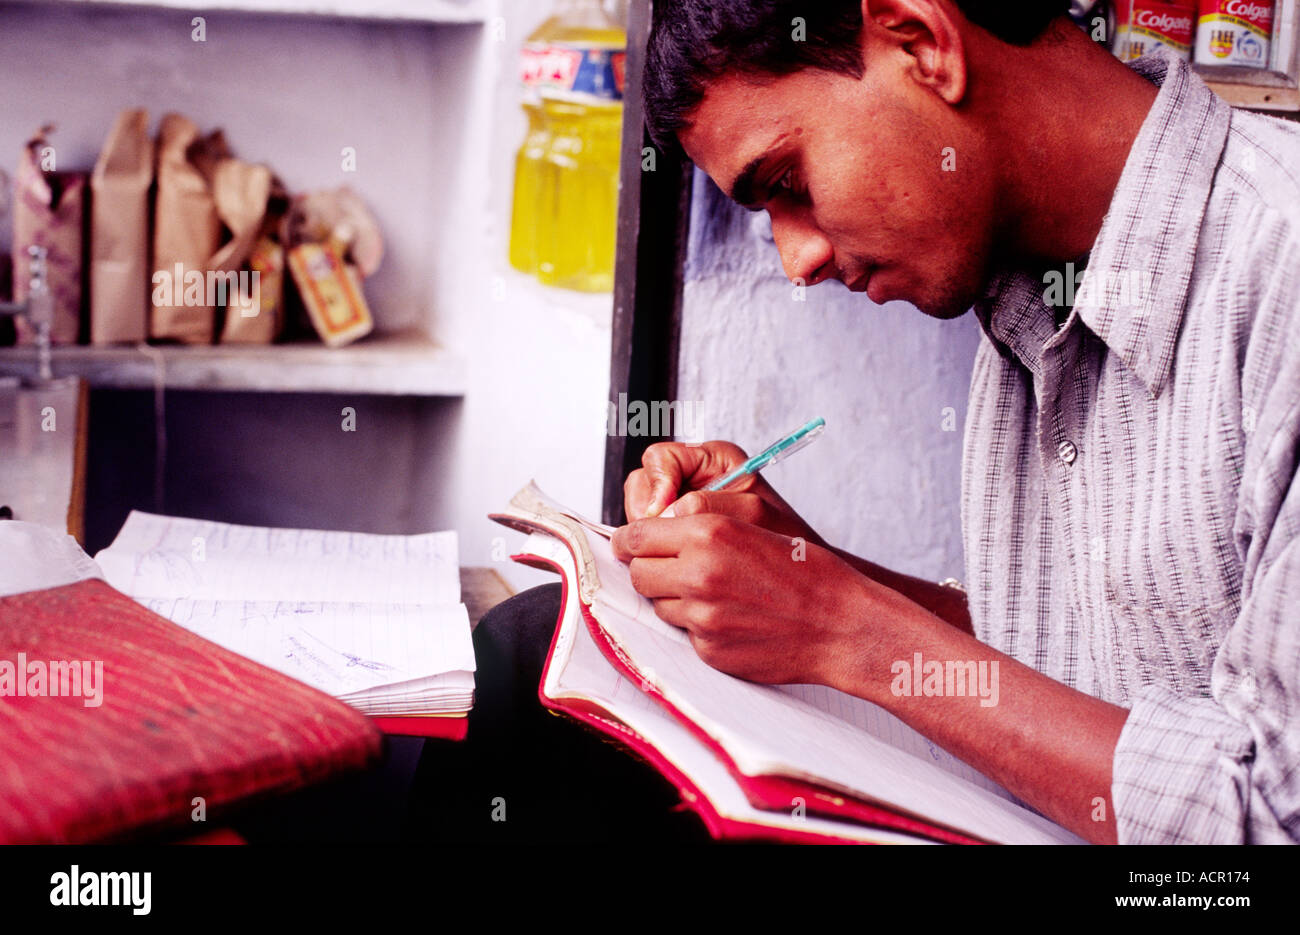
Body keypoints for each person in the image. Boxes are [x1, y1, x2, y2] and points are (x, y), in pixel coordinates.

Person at [420, 0, 1298, 845]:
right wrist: (808, 571)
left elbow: (1270, 820)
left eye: (787, 183)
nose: (797, 259)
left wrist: (847, 630)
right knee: (528, 659)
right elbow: (1077, 664)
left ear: (922, 42)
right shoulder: (1029, 284)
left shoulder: (1279, 274)